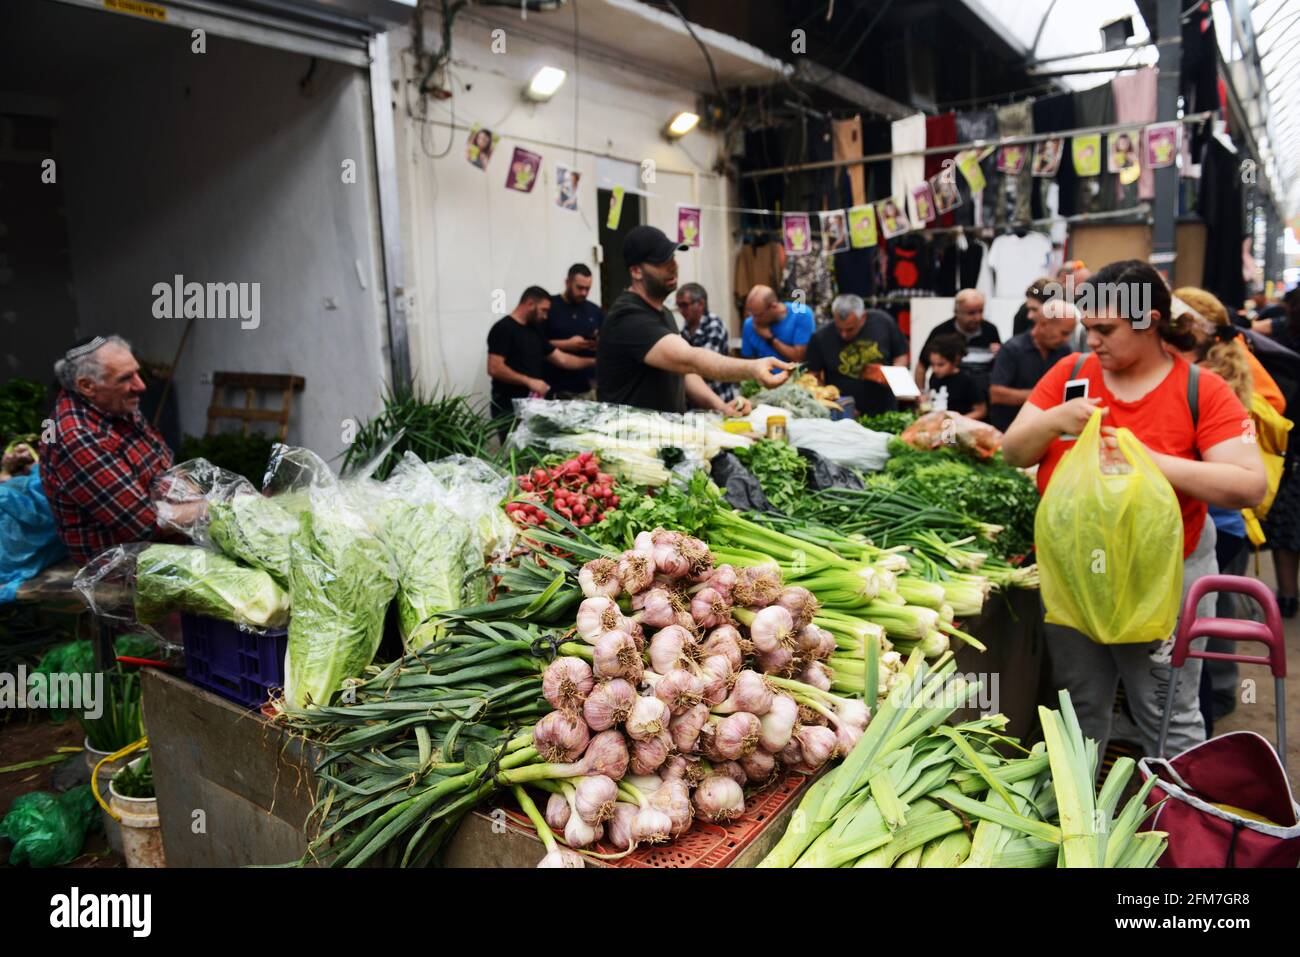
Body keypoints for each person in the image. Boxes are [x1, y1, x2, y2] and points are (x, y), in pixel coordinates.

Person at [1001, 260, 1267, 759]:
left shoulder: (1201, 391)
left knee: (1167, 711)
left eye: (1105, 329)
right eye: (1087, 329)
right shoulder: (1070, 375)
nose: (1093, 342)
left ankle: (1185, 825)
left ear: (1149, 321)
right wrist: (1056, 418)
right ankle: (1084, 825)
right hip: (1075, 577)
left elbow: (1249, 484)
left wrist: (1145, 459)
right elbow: (1014, 452)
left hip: (1161, 583)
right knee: (1080, 709)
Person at [596, 225, 789, 413]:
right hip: (630, 441)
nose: (673, 266)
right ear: (636, 271)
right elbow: (690, 360)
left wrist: (721, 406)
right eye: (661, 261)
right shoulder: (628, 317)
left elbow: (685, 373)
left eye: (672, 257)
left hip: (663, 437)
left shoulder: (664, 313)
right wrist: (753, 368)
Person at [41, 335, 175, 564]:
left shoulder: (112, 403)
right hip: (118, 567)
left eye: (136, 373)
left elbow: (162, 463)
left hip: (156, 546)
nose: (140, 386)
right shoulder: (77, 437)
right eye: (125, 378)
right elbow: (146, 525)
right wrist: (210, 508)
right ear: (86, 386)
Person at [487, 287, 593, 429]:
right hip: (508, 408)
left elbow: (562, 359)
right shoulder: (503, 328)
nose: (545, 316)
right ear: (530, 304)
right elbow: (494, 367)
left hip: (534, 407)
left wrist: (595, 362)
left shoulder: (535, 330)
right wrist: (529, 381)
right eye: (543, 310)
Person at [804, 294, 908, 418]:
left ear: (863, 317)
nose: (843, 335)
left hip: (885, 410)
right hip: (843, 413)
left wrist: (891, 376)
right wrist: (834, 403)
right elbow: (812, 377)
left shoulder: (883, 322)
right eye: (839, 328)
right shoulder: (820, 337)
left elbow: (901, 355)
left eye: (850, 329)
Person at [987, 297, 1078, 432]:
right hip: (1010, 430)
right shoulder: (1012, 349)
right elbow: (996, 394)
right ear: (1043, 325)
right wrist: (1042, 396)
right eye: (1063, 333)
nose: (1066, 339)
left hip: (1049, 430)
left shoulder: (1064, 350)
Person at [914, 288, 1001, 391]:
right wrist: (921, 394)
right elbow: (921, 366)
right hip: (948, 395)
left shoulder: (990, 330)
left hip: (982, 395)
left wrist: (1001, 353)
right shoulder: (941, 331)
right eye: (971, 313)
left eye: (980, 311)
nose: (978, 318)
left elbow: (999, 366)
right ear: (956, 312)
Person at [544, 264, 603, 399]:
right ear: (567, 282)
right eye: (579, 288)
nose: (584, 293)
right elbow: (536, 343)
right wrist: (567, 344)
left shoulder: (594, 310)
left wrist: (596, 343)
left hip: (587, 386)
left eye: (587, 289)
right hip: (555, 386)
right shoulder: (549, 307)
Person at [675, 283, 739, 405]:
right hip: (697, 401)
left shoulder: (714, 326)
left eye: (685, 305)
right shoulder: (686, 330)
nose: (681, 311)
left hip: (719, 398)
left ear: (701, 304)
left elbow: (705, 368)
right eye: (679, 306)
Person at [740, 285, 814, 362]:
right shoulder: (749, 324)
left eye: (758, 315)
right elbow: (749, 363)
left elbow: (798, 358)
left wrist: (770, 339)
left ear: (773, 307)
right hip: (761, 373)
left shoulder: (801, 314)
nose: (754, 320)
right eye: (752, 314)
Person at [925, 334, 986, 419]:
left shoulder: (966, 381)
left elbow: (981, 411)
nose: (935, 369)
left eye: (941, 365)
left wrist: (958, 421)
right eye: (932, 364)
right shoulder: (934, 377)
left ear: (955, 361)